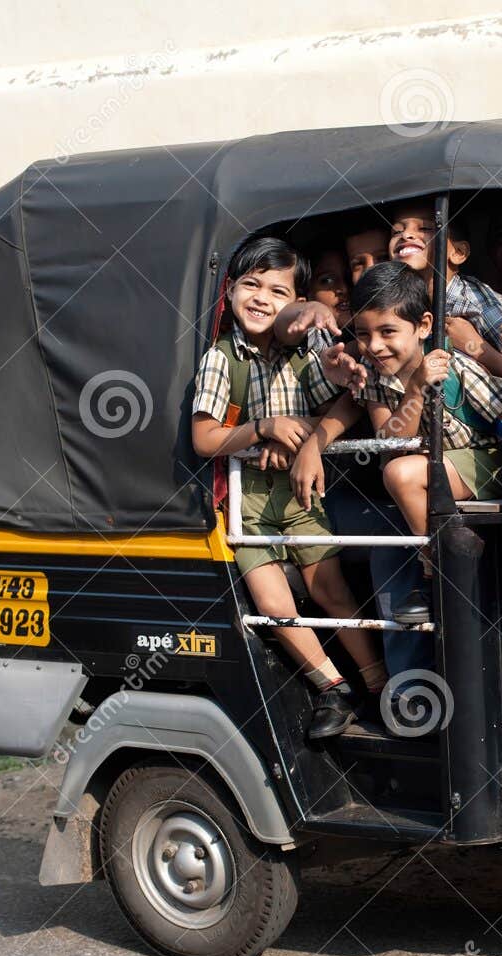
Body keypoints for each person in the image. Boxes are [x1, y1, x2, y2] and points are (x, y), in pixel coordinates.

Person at [189, 235, 385, 738]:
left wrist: (314, 426)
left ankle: (378, 684)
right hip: (247, 502)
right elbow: (204, 437)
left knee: (332, 591)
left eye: (277, 292)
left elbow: (346, 398)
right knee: (275, 607)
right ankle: (332, 688)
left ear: (294, 302)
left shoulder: (303, 355)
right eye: (250, 285)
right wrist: (264, 429)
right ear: (229, 292)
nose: (261, 299)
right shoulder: (219, 358)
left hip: (300, 494)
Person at [288, 261, 502, 624]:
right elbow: (392, 444)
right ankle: (438, 566)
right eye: (363, 334)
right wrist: (413, 390)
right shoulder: (378, 378)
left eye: (388, 331)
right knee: (400, 471)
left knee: (403, 475)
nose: (374, 346)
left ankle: (437, 574)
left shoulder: (455, 368)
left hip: (490, 463)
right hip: (437, 472)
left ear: (424, 326)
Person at [387, 200, 502, 377]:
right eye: (397, 231)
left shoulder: (476, 302)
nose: (406, 235)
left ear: (458, 253)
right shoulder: (395, 302)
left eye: (425, 228)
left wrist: (476, 348)